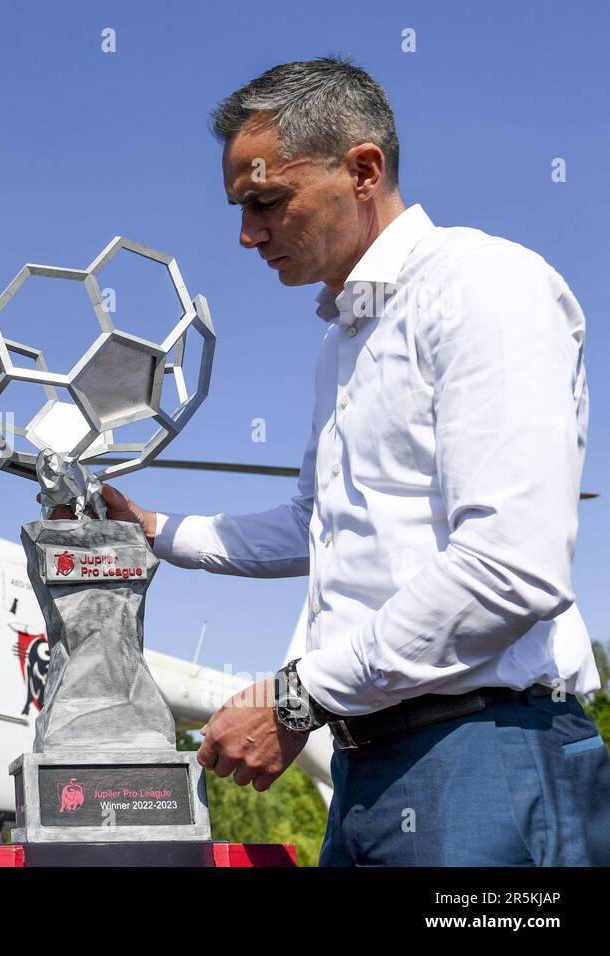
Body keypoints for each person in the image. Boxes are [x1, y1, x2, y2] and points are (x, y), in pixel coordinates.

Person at [76, 56, 607, 865]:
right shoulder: (344, 340)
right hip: (367, 768)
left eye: (266, 201)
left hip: (482, 759)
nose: (247, 234)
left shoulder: (483, 287)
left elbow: (510, 566)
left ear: (363, 170)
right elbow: (316, 523)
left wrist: (294, 702)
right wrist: (153, 529)